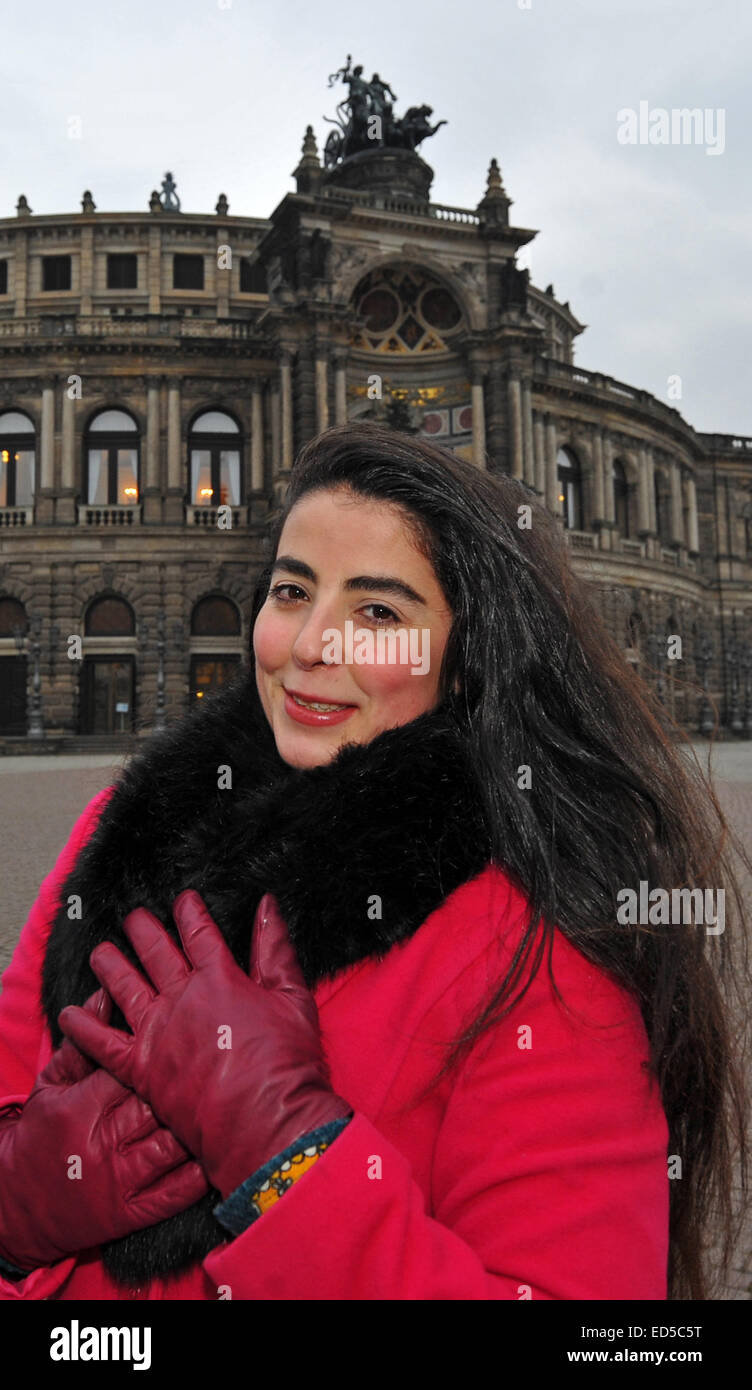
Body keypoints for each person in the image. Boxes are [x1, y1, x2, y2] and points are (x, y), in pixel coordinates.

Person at [0, 421, 746, 1300]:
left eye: (379, 612)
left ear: (467, 660)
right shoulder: (126, 829)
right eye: (291, 592)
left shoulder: (548, 946)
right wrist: (19, 1210)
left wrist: (286, 1158)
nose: (313, 645)